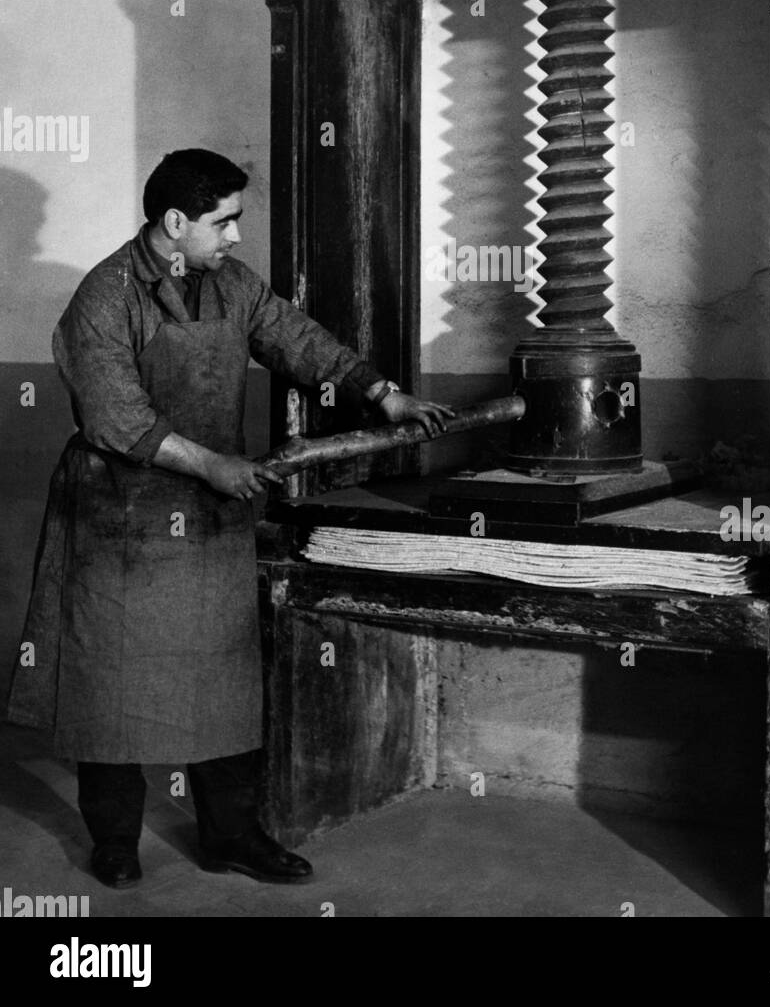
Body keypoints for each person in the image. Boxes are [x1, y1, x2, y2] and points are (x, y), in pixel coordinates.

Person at [7, 149, 453, 890]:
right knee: (109, 693)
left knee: (221, 687)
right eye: (225, 221)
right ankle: (115, 841)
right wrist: (213, 464)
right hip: (119, 526)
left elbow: (298, 339)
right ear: (175, 223)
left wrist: (383, 394)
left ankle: (231, 835)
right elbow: (117, 418)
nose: (236, 236)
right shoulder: (104, 296)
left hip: (209, 528)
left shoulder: (231, 285)